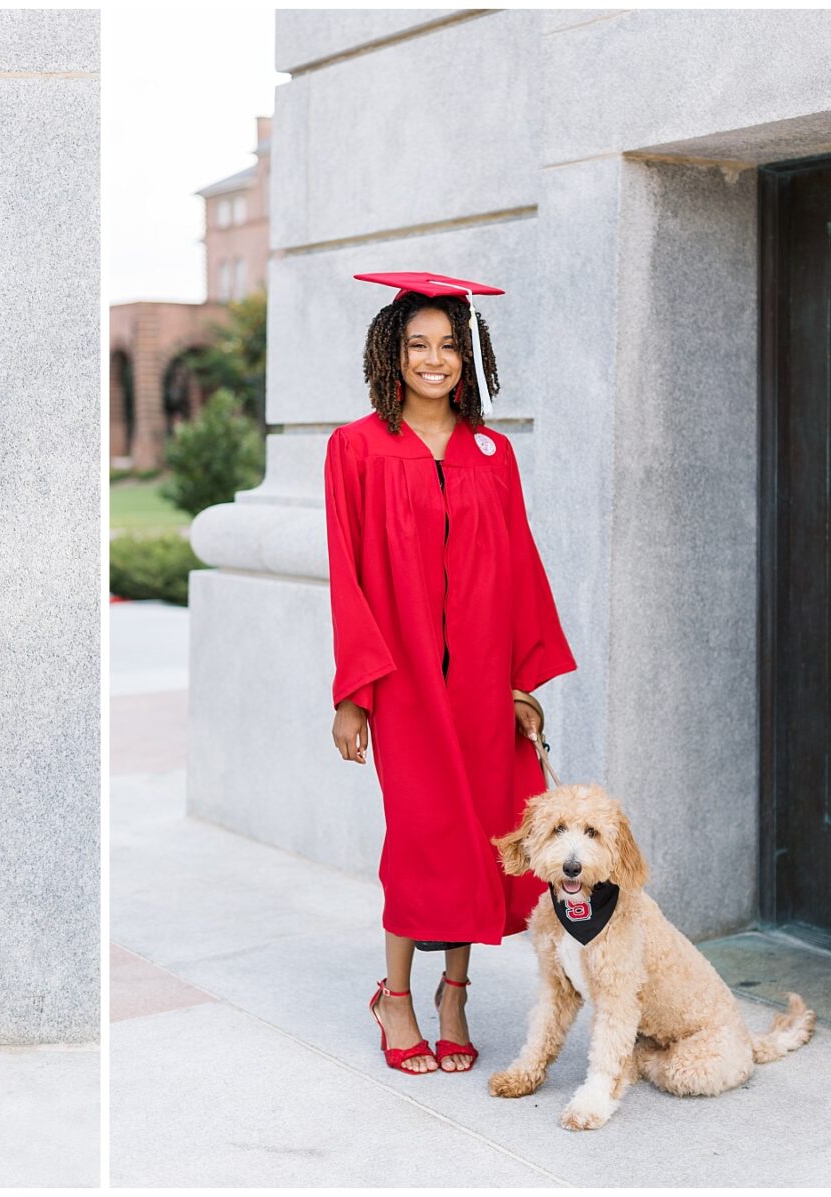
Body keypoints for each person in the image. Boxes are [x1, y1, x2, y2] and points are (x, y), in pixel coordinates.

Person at [324, 274, 576, 1075]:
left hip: (480, 686)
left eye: (449, 345)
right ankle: (395, 996)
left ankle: (454, 993)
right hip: (402, 686)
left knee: (481, 836)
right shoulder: (357, 448)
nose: (435, 359)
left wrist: (516, 683)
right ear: (391, 356)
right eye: (418, 345)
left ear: (469, 357)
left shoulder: (493, 456)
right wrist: (354, 695)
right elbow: (349, 574)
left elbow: (516, 571)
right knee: (420, 836)